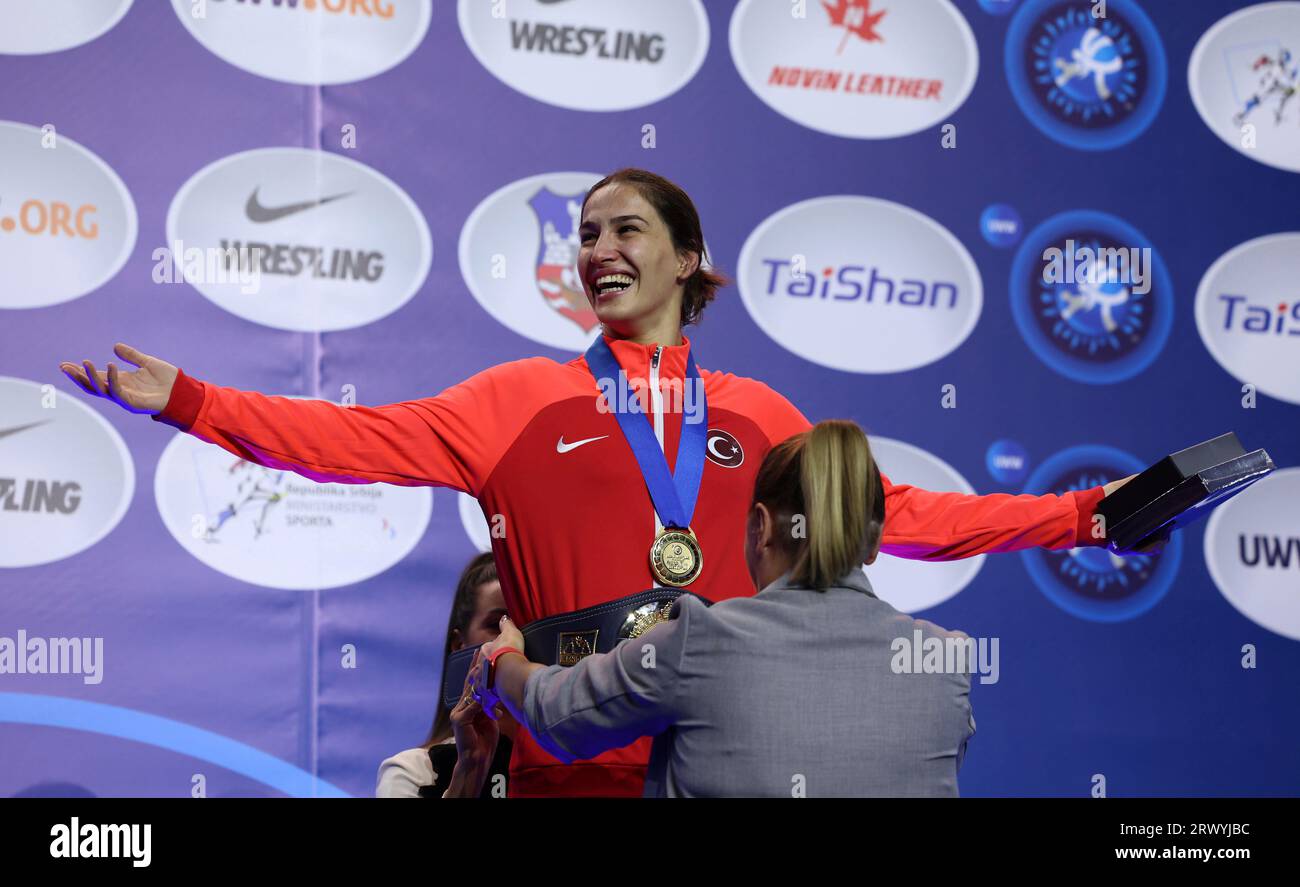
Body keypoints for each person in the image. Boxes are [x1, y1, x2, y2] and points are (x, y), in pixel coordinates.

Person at [59, 167, 1135, 797]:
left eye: (627, 230)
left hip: (714, 754)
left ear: (687, 261)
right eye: (584, 234)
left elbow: (906, 519)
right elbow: (346, 440)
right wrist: (191, 401)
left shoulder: (763, 414)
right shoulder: (513, 398)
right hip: (566, 752)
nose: (598, 249)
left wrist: (1088, 512)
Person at [472, 421, 975, 797]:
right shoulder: (943, 663)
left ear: (762, 526)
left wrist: (501, 662)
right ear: (874, 544)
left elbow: (559, 714)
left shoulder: (701, 640)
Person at [376, 552, 513, 798]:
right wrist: (470, 770)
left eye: (526, 624)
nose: (513, 639)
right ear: (459, 644)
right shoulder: (412, 773)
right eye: (497, 624)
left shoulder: (577, 760)